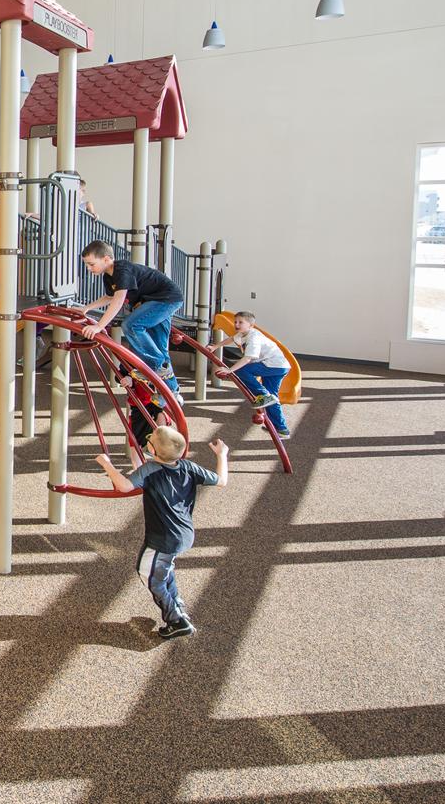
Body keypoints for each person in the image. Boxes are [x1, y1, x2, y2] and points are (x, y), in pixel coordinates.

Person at [94, 426, 229, 640]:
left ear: (152, 449)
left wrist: (106, 464)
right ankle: (177, 604)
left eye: (152, 438)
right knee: (165, 568)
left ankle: (176, 619)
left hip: (162, 539)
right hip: (184, 534)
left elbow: (124, 486)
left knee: (146, 572)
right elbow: (222, 481)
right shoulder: (188, 466)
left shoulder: (151, 469)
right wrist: (222, 455)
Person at [79, 241, 185, 393]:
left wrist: (99, 326)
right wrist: (87, 308)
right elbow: (109, 297)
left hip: (166, 299)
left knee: (131, 325)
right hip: (155, 302)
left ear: (106, 259)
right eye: (87, 265)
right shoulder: (109, 277)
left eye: (91, 264)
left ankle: (156, 366)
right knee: (160, 347)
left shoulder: (122, 270)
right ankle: (172, 391)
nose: (89, 269)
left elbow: (119, 299)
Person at [217, 311, 291, 437]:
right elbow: (231, 339)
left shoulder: (254, 337)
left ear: (250, 325)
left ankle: (263, 394)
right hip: (278, 366)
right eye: (235, 322)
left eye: (241, 322)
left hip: (274, 365)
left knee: (241, 370)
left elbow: (248, 359)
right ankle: (281, 429)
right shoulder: (243, 334)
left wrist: (230, 370)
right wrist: (215, 346)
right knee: (271, 398)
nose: (236, 324)